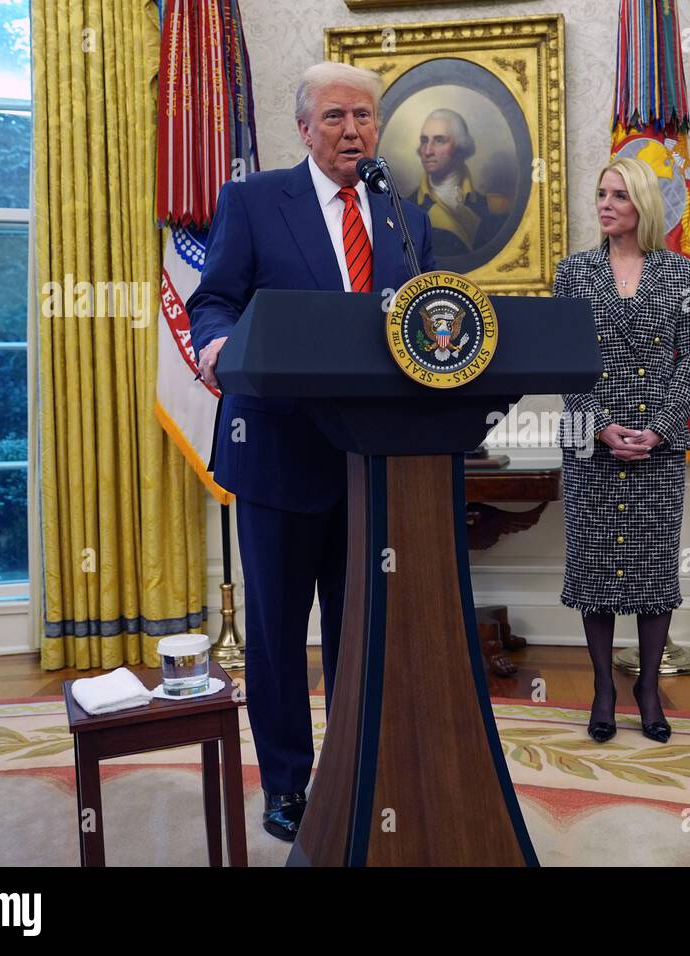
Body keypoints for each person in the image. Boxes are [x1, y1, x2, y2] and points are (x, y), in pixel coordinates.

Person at [187, 61, 436, 841]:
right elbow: (215, 299)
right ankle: (288, 786)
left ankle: (361, 763)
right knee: (279, 631)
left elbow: (425, 311)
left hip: (377, 460)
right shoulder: (256, 202)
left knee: (362, 629)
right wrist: (217, 341)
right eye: (334, 117)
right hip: (277, 452)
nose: (352, 131)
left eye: (364, 116)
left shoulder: (402, 212)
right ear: (302, 128)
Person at [553, 157, 690, 744]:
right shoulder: (574, 273)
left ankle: (646, 689)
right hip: (592, 445)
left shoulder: (679, 273)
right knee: (594, 571)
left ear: (642, 204)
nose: (606, 203)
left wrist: (661, 428)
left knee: (652, 570)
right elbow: (564, 360)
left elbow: (688, 359)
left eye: (619, 194)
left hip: (657, 447)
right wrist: (600, 426)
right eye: (601, 193)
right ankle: (602, 688)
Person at [412, 108, 509, 258]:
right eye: (424, 141)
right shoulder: (405, 210)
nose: (427, 151)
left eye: (439, 140)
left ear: (460, 147)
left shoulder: (494, 207)